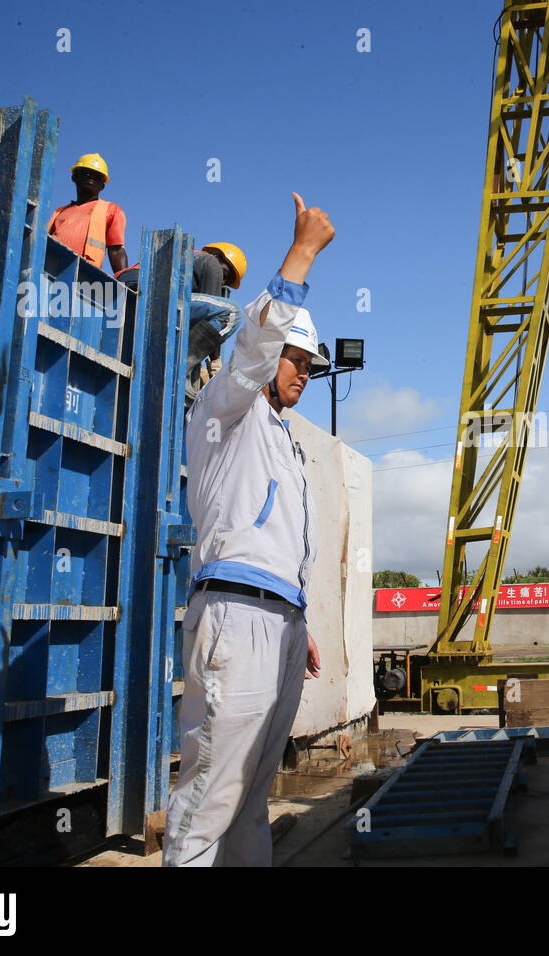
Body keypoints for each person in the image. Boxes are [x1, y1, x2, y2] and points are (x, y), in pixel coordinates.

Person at [162, 193, 334, 867]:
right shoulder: (229, 406)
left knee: (250, 798)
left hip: (276, 619)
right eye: (295, 359)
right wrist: (300, 255)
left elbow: (280, 535)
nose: (303, 373)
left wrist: (299, 613)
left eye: (310, 365)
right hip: (235, 614)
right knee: (210, 795)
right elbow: (254, 346)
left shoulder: (283, 443)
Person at [117, 242, 249, 399]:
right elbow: (209, 318)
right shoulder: (210, 261)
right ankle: (179, 370)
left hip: (127, 290)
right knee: (232, 312)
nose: (221, 282)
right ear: (217, 255)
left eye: (225, 282)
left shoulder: (188, 261)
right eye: (225, 275)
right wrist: (215, 362)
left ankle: (180, 368)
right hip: (149, 291)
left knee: (188, 331)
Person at [46, 153, 128, 272]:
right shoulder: (59, 212)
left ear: (102, 186)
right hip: (49, 270)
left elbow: (116, 250)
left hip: (84, 275)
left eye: (97, 177)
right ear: (74, 177)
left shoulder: (111, 210)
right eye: (86, 173)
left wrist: (125, 283)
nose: (91, 178)